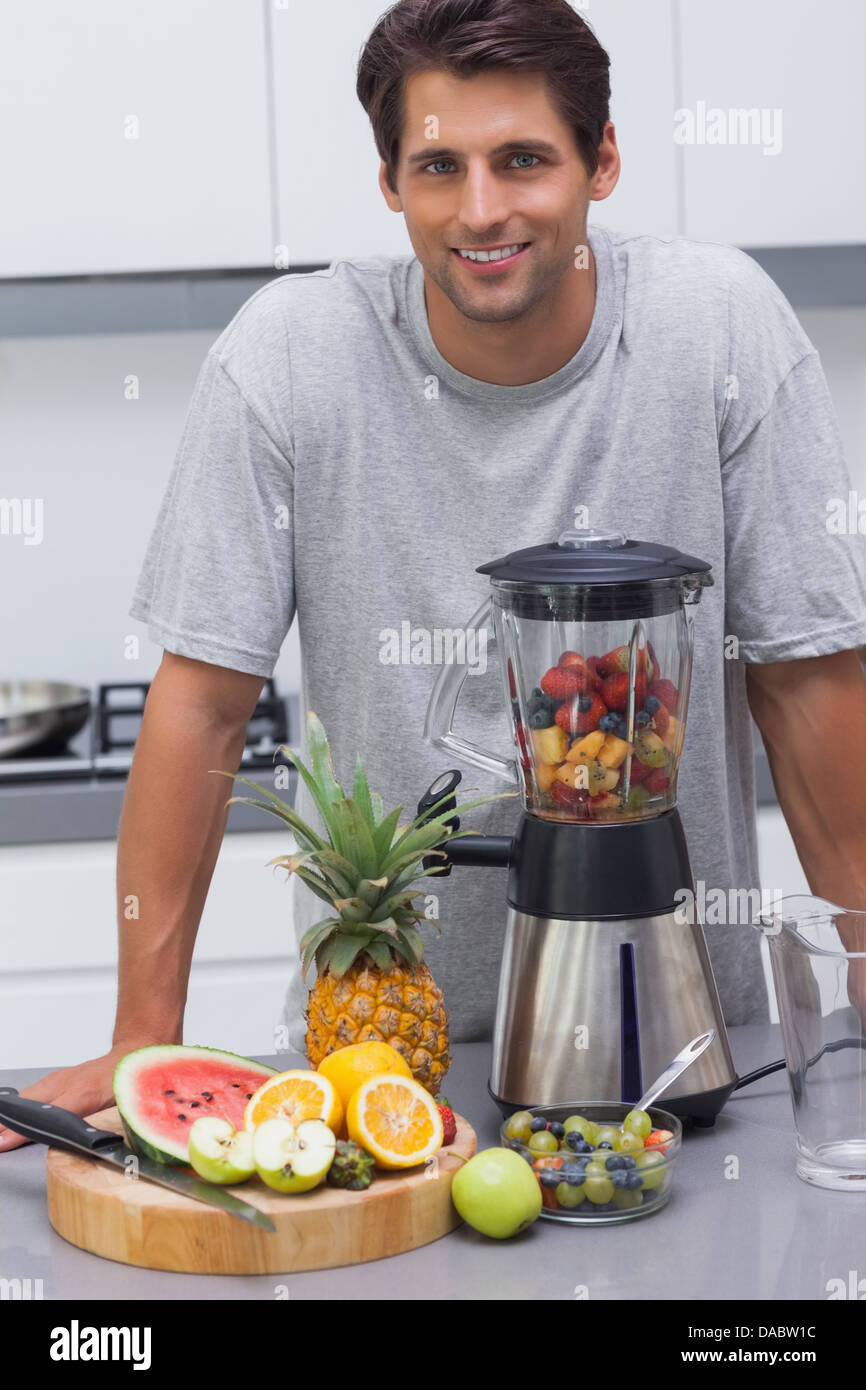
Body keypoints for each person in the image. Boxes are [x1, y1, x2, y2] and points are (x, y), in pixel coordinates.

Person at [3, 0, 866, 1150]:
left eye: (522, 160)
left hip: (690, 1056)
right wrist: (139, 1030)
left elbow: (807, 681)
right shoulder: (289, 356)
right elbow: (203, 703)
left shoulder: (719, 330)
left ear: (600, 163)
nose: (479, 210)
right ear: (387, 182)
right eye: (437, 165)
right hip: (371, 1069)